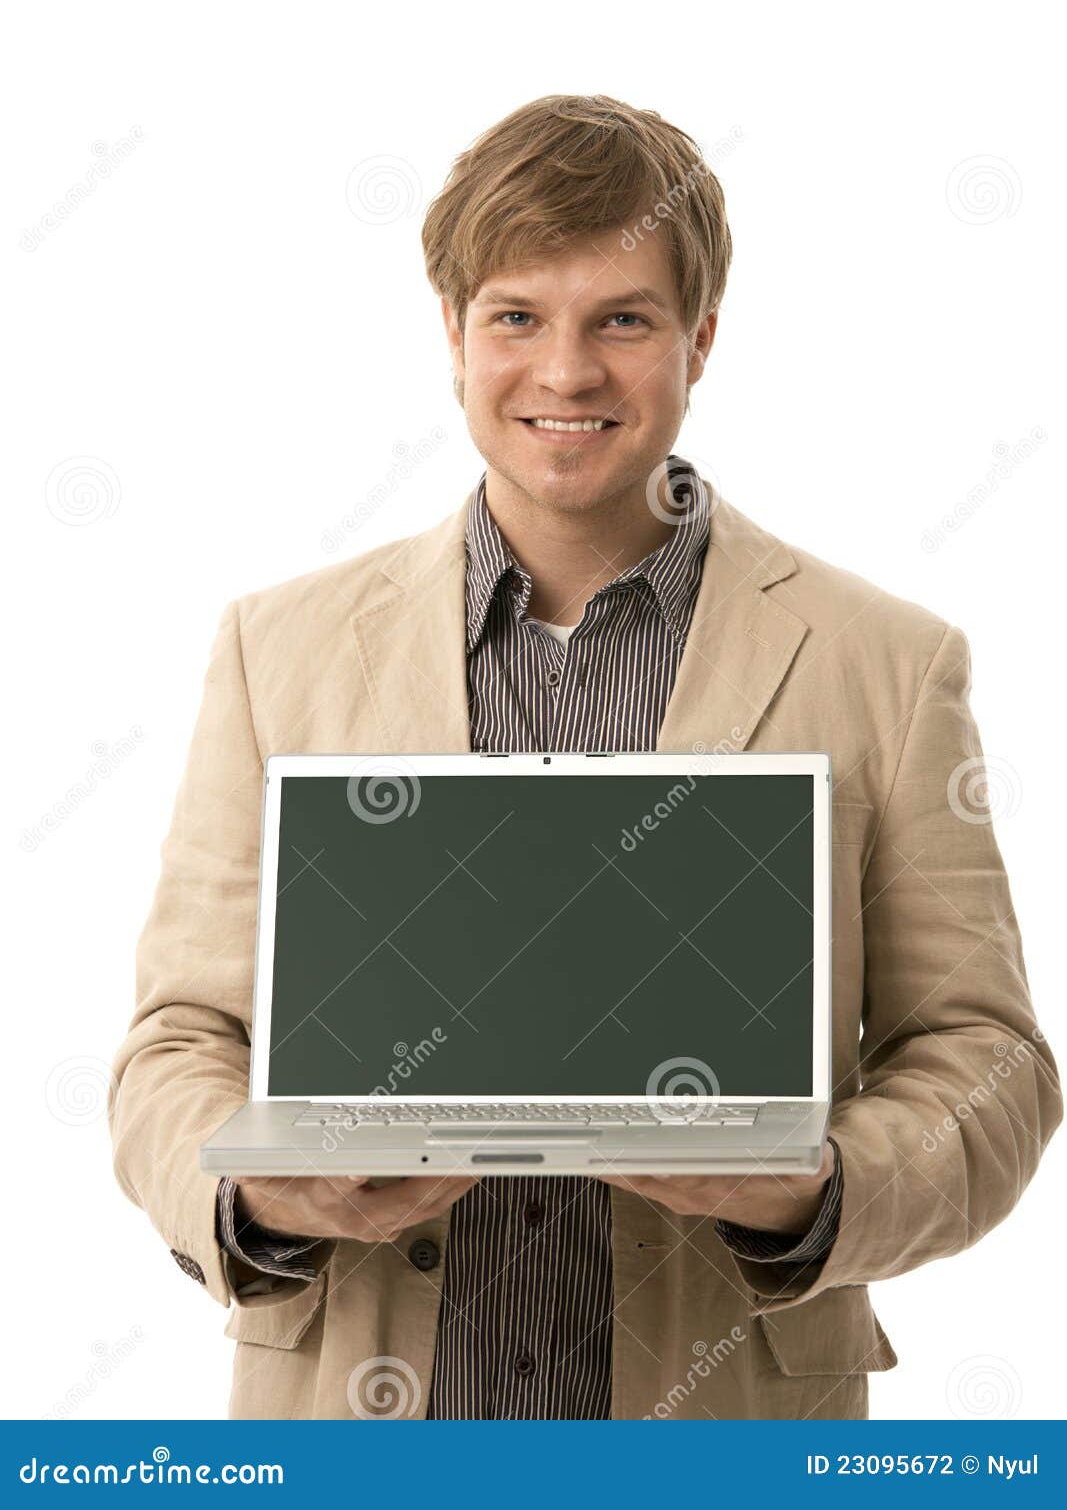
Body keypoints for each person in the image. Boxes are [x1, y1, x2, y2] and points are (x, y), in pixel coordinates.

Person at [110, 94, 1061, 1420]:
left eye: (623, 317)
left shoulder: (884, 664)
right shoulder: (284, 650)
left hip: (719, 1431)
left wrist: (817, 1181)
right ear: (451, 334)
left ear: (701, 339)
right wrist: (258, 1191)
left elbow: (989, 1059)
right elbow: (180, 1038)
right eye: (516, 316)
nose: (565, 373)